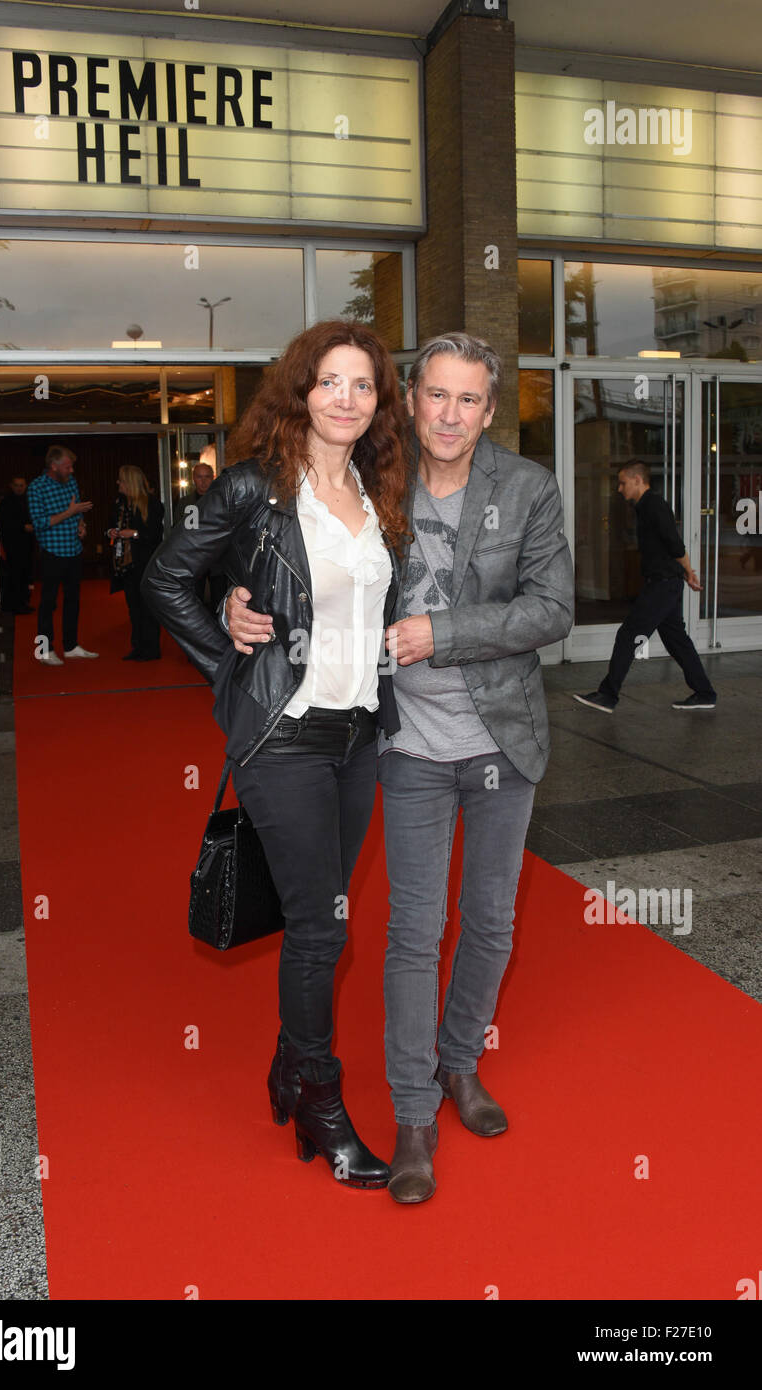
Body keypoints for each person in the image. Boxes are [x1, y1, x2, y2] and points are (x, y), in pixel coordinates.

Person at [226, 331, 574, 1204]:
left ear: (490, 411)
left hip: (504, 742)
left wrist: (442, 634)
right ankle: (413, 1113)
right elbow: (297, 558)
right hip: (406, 745)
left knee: (490, 922)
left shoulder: (527, 489)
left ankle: (461, 1066)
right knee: (414, 935)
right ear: (410, 402)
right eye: (436, 396)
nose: (450, 415)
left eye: (469, 401)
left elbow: (553, 608)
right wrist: (234, 603)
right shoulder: (379, 479)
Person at [142, 320, 409, 1189]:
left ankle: (290, 1066)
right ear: (301, 392)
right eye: (330, 382)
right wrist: (225, 651)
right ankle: (320, 1098)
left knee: (323, 927)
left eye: (363, 386)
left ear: (378, 404)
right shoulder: (256, 489)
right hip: (283, 735)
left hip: (359, 734)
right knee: (322, 925)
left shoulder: (377, 494)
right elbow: (164, 577)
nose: (346, 399)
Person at [574, 461, 717, 712]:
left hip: (663, 585)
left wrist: (689, 571)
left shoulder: (655, 505)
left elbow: (675, 544)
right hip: (664, 583)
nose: (619, 489)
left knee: (629, 635)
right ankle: (704, 693)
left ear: (638, 480)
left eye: (623, 483)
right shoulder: (644, 507)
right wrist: (684, 572)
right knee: (676, 640)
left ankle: (608, 695)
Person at [27, 445, 98, 666]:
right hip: (51, 552)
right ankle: (44, 650)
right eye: (68, 467)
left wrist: (81, 525)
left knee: (73, 601)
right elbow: (39, 524)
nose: (71, 471)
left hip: (74, 550)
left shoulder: (71, 483)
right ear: (54, 466)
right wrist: (71, 512)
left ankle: (71, 646)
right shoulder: (37, 487)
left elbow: (76, 514)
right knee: (47, 603)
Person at [108, 465, 164, 661]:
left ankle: (151, 648)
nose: (118, 483)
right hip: (127, 564)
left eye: (121, 480)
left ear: (129, 482)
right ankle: (138, 646)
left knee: (147, 607)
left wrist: (134, 533)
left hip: (146, 563)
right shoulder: (120, 504)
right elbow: (111, 525)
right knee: (133, 608)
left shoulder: (152, 504)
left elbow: (155, 535)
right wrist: (112, 532)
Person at [0, 476, 34, 614]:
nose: (19, 488)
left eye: (22, 485)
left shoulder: (28, 501)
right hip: (13, 544)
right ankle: (13, 604)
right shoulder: (6, 502)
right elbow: (6, 523)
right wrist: (22, 527)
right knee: (14, 574)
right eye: (17, 485)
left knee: (25, 573)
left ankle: (23, 602)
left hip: (26, 543)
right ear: (11, 486)